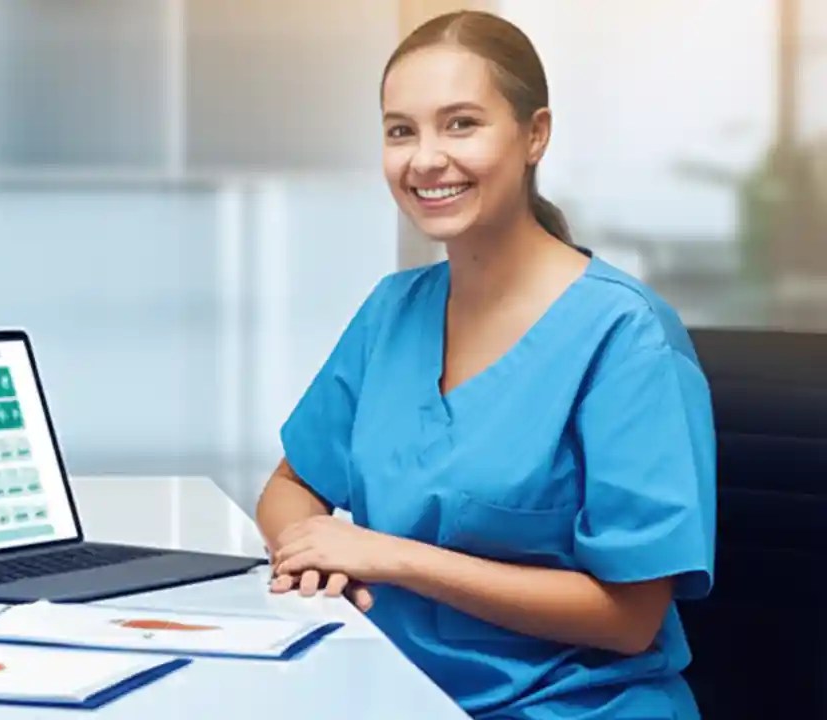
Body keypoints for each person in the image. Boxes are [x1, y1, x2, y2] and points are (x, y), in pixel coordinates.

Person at [255, 10, 716, 719]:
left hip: (572, 707)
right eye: (401, 130)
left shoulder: (627, 338)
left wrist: (390, 556)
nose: (425, 158)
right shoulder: (392, 312)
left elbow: (628, 617)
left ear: (535, 135)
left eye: (461, 123)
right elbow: (293, 484)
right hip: (396, 693)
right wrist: (308, 548)